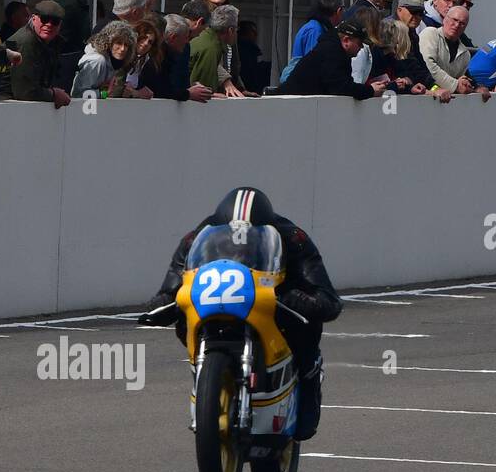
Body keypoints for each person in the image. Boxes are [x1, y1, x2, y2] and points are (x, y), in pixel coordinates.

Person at [138, 187, 343, 441]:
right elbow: (171, 288)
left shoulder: (293, 238)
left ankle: (309, 375)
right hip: (215, 306)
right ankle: (208, 381)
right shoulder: (195, 238)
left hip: (272, 300)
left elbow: (328, 299)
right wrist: (161, 304)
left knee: (306, 330)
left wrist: (297, 297)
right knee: (182, 313)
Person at [282, 18, 386, 98]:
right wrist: (370, 90)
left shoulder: (333, 50)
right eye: (359, 43)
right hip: (293, 102)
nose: (362, 47)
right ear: (346, 41)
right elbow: (341, 87)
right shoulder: (332, 53)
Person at [0, 0, 71, 107]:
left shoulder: (52, 43)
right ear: (34, 19)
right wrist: (53, 94)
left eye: (55, 21)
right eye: (44, 19)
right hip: (4, 105)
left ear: (60, 25)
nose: (49, 25)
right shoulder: (26, 42)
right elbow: (25, 92)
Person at [146, 13, 211, 102]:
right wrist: (188, 94)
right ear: (173, 38)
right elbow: (162, 90)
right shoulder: (156, 56)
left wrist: (191, 88)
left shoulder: (172, 54)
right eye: (185, 37)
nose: (187, 41)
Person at [72, 19, 137, 98]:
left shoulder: (114, 62)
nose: (122, 48)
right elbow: (77, 94)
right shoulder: (97, 60)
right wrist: (103, 93)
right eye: (118, 43)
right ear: (108, 42)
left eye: (126, 45)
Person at [419, 3, 473, 95]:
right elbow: (428, 65)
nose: (456, 25)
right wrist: (455, 85)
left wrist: (469, 85)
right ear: (444, 19)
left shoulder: (465, 54)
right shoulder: (430, 34)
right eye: (455, 20)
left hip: (447, 103)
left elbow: (461, 80)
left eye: (462, 23)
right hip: (424, 96)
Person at [189, 3, 242, 95]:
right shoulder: (211, 49)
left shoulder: (206, 39)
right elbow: (203, 88)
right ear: (230, 30)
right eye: (236, 30)